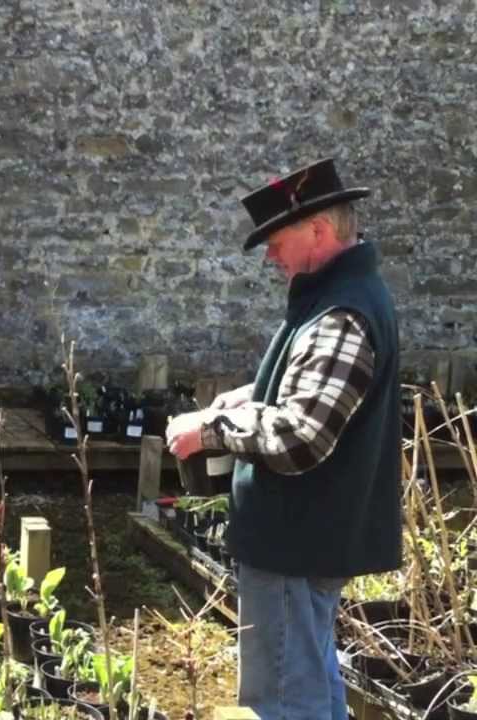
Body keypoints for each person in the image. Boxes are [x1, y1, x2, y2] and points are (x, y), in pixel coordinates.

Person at [165, 158, 401, 720]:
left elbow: (301, 436)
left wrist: (209, 430)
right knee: (311, 680)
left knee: (286, 700)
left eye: (275, 241)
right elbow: (317, 386)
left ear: (317, 230)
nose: (269, 256)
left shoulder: (341, 312)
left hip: (296, 540)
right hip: (306, 538)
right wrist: (253, 393)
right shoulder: (338, 295)